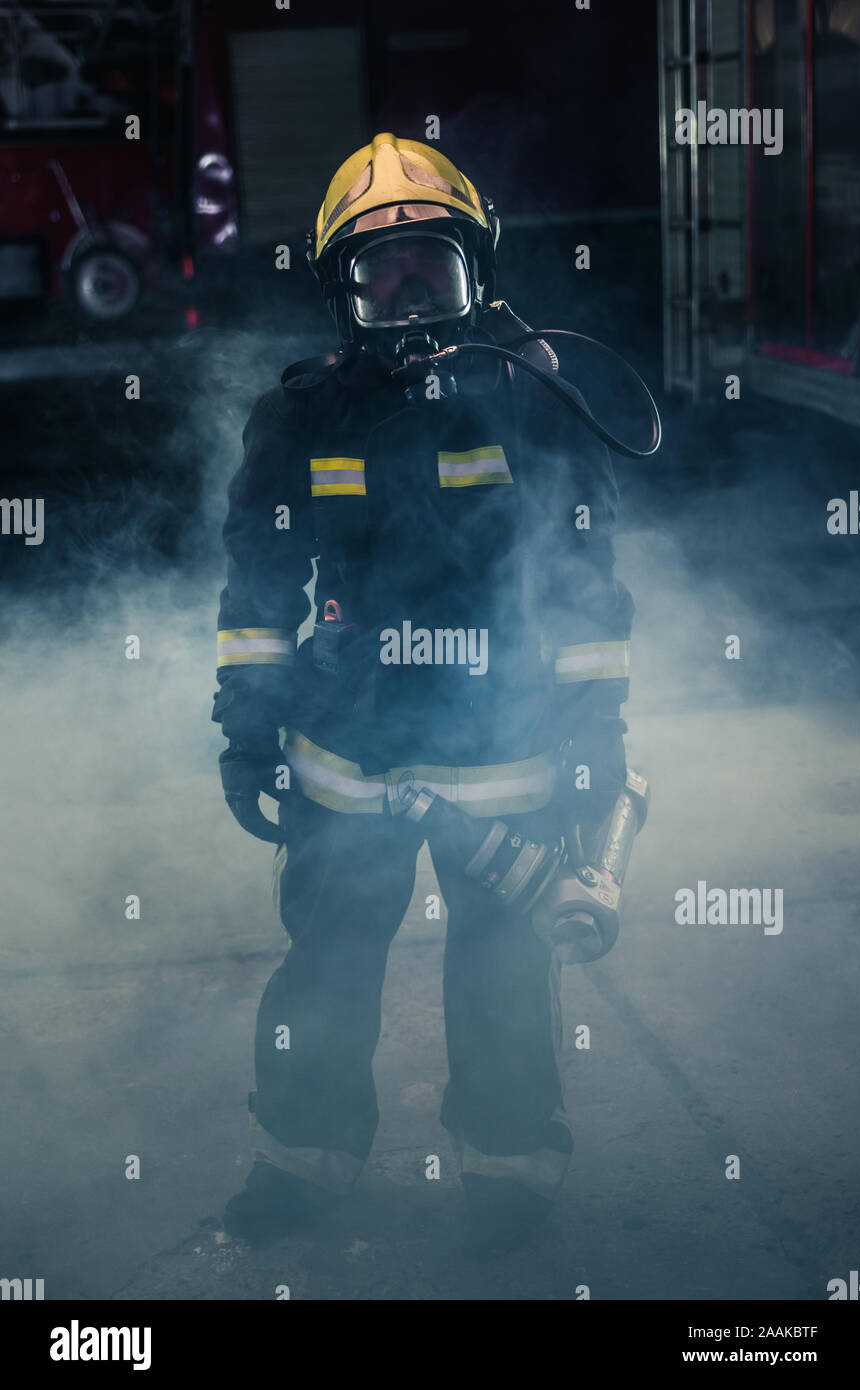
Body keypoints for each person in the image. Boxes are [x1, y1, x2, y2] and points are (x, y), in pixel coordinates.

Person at [213, 133, 634, 1255]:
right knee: (326, 967)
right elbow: (257, 588)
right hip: (347, 754)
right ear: (341, 294)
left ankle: (508, 1166)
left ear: (476, 270)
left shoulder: (536, 398)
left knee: (500, 965)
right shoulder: (304, 415)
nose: (405, 299)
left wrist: (596, 736)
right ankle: (302, 1156)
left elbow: (587, 590)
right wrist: (247, 733)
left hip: (506, 746)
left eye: (429, 269)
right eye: (379, 275)